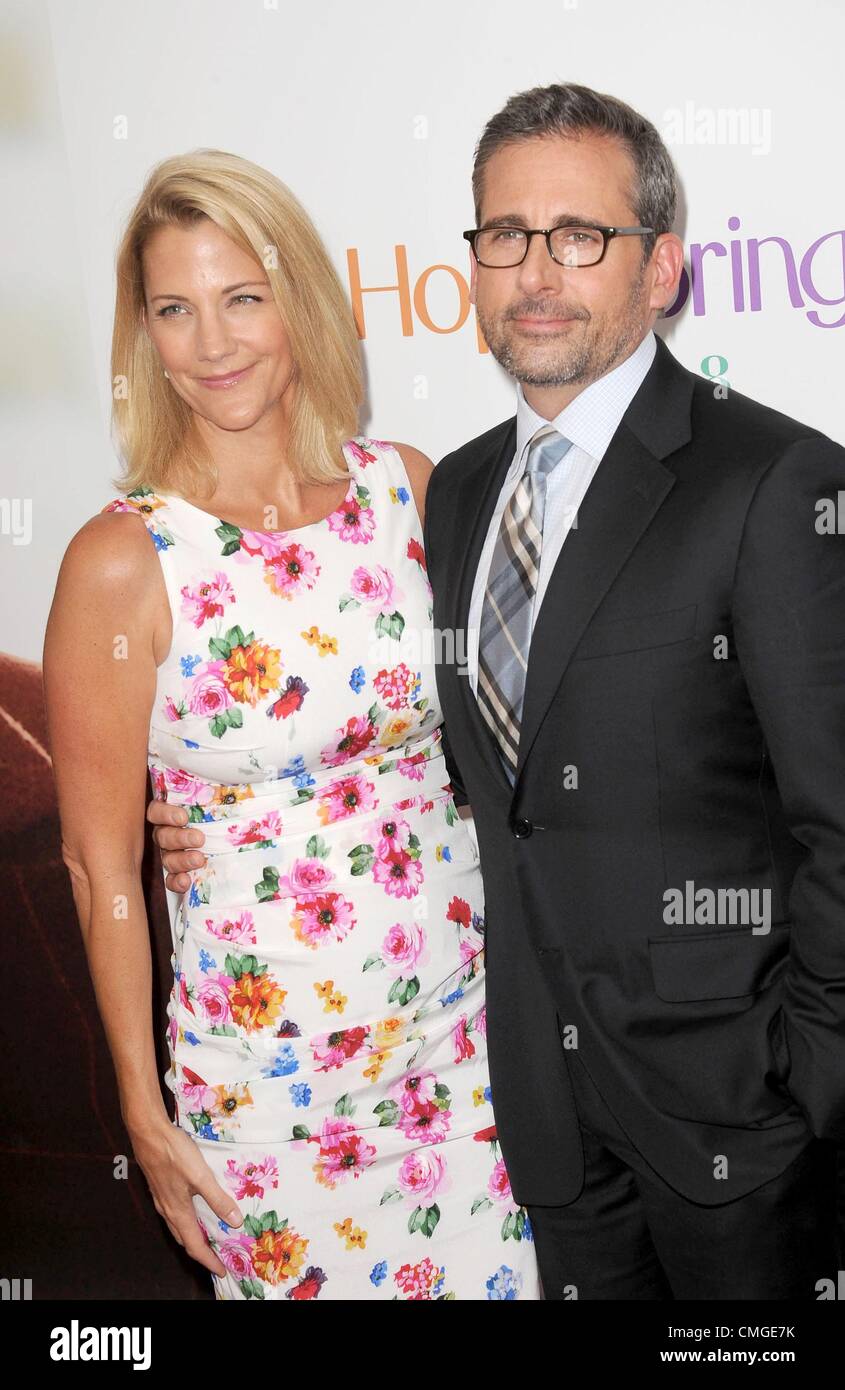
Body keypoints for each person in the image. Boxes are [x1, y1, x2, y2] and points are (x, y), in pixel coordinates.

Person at [152, 84, 845, 1301]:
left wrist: (802, 1079)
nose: (536, 270)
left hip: (735, 1129)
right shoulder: (456, 493)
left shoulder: (774, 480)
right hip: (526, 1119)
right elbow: (459, 771)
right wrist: (205, 819)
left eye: (579, 236)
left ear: (661, 266)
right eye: (503, 235)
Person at [43, 149, 540, 1301]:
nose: (211, 344)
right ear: (144, 334)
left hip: (463, 1058)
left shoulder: (404, 489)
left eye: (241, 298)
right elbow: (95, 861)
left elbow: (494, 745)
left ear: (297, 299)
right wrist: (141, 1107)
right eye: (173, 309)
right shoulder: (123, 559)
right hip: (268, 1094)